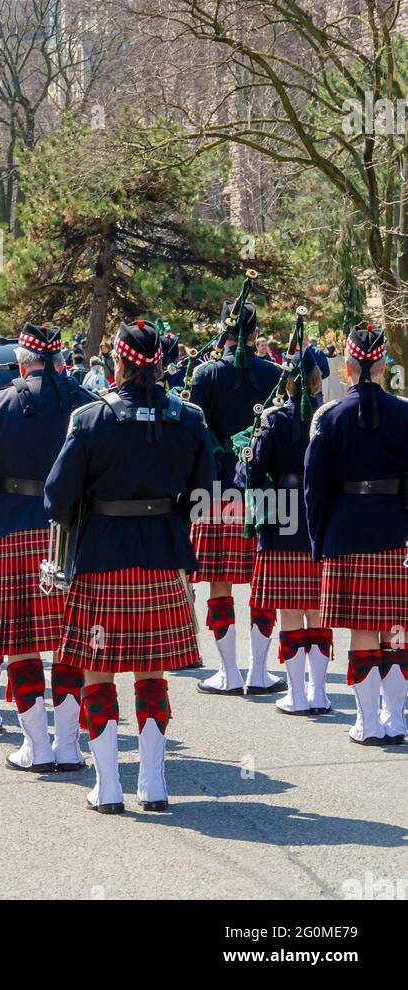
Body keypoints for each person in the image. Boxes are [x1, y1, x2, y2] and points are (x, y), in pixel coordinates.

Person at [46, 318, 214, 812]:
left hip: (102, 557)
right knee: (151, 674)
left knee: (97, 673)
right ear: (158, 363)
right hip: (162, 557)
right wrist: (168, 519)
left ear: (118, 361)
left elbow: (57, 497)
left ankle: (109, 787)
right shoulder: (190, 419)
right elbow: (203, 492)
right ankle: (154, 783)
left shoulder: (90, 418)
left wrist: (85, 514)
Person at [0, 322, 95, 773]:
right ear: (59, 360)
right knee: (72, 643)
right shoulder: (86, 404)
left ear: (21, 362)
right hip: (70, 534)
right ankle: (70, 746)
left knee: (19, 643)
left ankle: (35, 747)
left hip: (9, 534)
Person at [304, 323, 408, 745]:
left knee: (363, 628)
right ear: (382, 366)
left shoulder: (328, 416)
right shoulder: (406, 412)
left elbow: (315, 488)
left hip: (347, 533)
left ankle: (368, 722)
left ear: (347, 368)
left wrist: (319, 541)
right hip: (398, 532)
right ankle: (396, 720)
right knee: (398, 628)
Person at [189, 281, 284, 696]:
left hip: (213, 493)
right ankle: (258, 672)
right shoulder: (276, 375)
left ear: (224, 332)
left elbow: (194, 435)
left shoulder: (205, 374)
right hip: (265, 493)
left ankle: (227, 673)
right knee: (264, 581)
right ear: (254, 334)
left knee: (219, 584)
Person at [233, 324, 329, 715]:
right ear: (316, 379)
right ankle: (319, 691)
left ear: (287, 382)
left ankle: (298, 695)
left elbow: (253, 475)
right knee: (318, 609)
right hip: (320, 517)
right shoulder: (326, 417)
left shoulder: (272, 419)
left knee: (290, 608)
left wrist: (244, 465)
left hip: (283, 516)